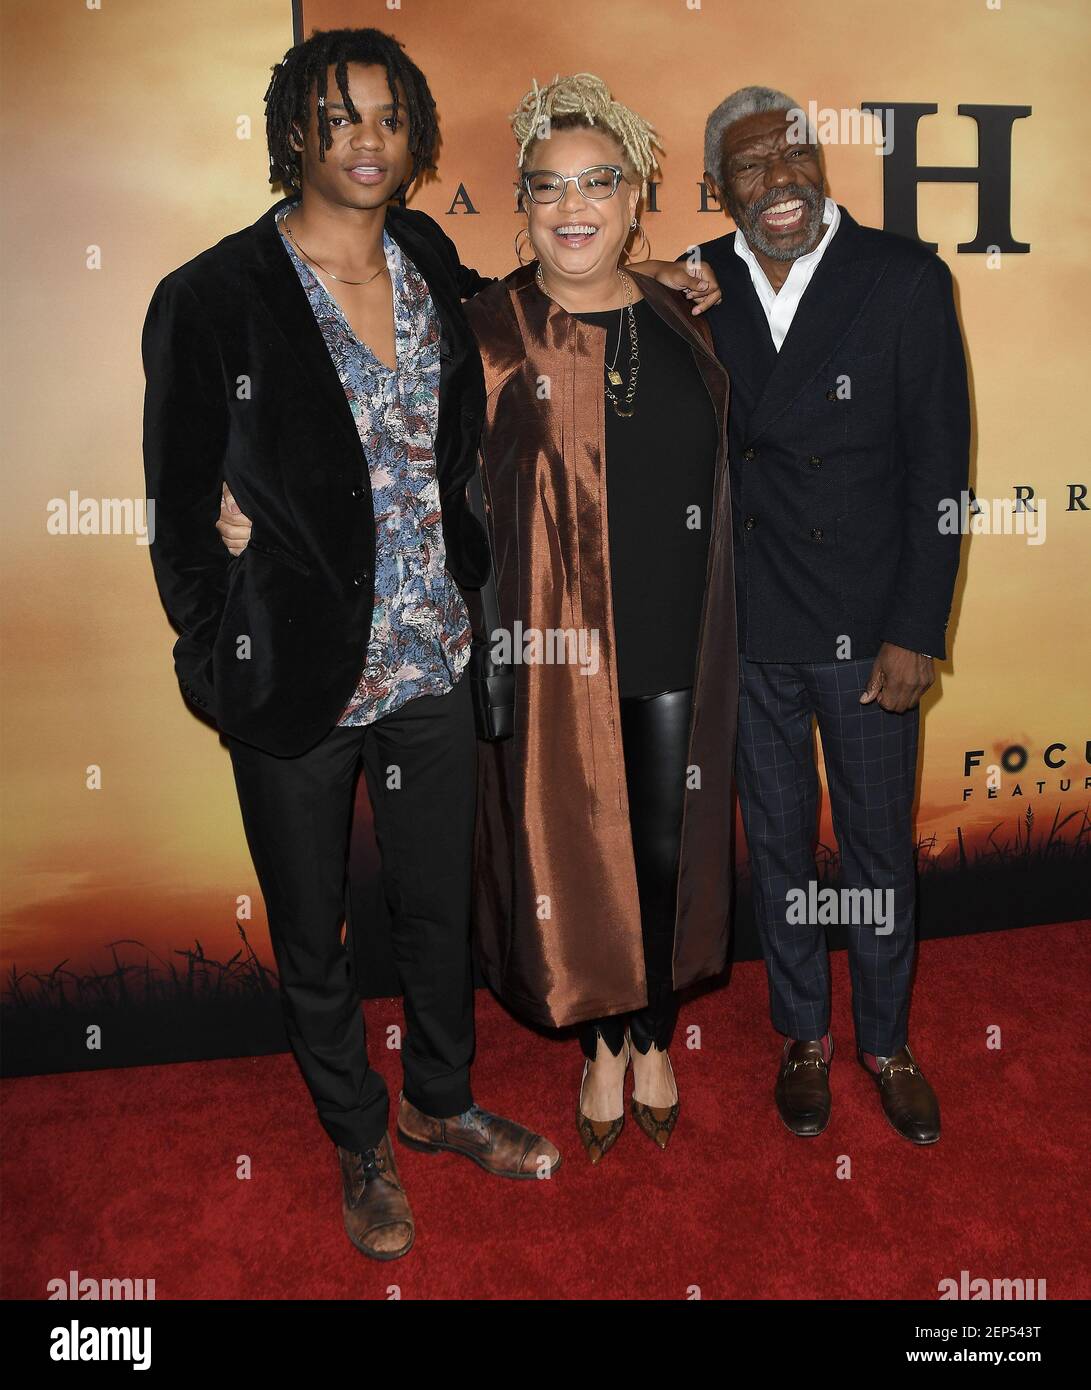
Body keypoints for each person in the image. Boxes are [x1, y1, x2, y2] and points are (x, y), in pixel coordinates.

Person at [220, 72, 736, 1166]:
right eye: (546, 187)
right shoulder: (483, 330)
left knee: (663, 844)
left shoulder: (683, 316)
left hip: (682, 632)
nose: (573, 206)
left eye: (599, 182)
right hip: (558, 648)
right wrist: (241, 494)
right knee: (586, 851)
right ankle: (602, 1042)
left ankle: (654, 1027)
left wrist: (677, 277)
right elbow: (374, 433)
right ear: (520, 206)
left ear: (638, 199)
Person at [141, 27, 567, 1264]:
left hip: (432, 654)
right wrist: (218, 647)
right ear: (294, 135)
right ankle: (358, 1137)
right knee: (314, 928)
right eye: (339, 119)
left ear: (413, 134)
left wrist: (670, 276)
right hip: (293, 673)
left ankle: (439, 1101)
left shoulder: (429, 255)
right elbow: (178, 517)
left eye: (386, 117)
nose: (367, 140)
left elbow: (539, 301)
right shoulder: (211, 297)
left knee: (437, 907)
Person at [695, 86, 970, 1144]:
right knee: (775, 843)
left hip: (867, 635)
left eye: (796, 154)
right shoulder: (694, 281)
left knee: (872, 851)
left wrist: (916, 629)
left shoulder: (900, 279)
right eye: (752, 167)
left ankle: (886, 1041)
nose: (781, 181)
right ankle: (802, 1033)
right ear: (719, 191)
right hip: (750, 629)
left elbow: (939, 472)